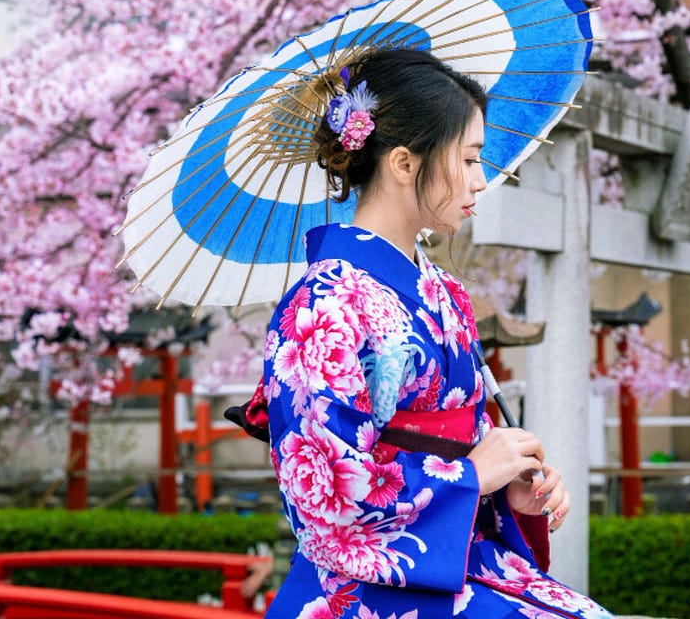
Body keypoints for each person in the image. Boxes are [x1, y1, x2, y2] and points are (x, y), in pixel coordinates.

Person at [258, 46, 614, 619]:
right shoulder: (323, 303)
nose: (481, 179)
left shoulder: (444, 292)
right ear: (403, 163)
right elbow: (324, 497)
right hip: (364, 583)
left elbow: (466, 440)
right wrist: (471, 474)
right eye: (469, 159)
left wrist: (504, 489)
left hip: (454, 558)